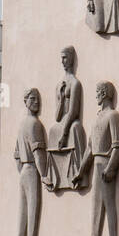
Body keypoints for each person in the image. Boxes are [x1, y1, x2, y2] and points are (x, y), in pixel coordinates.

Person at [80, 81, 119, 236]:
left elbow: (118, 146)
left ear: (105, 93)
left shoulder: (113, 116)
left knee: (109, 203)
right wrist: (81, 171)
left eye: (98, 91)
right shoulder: (97, 118)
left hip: (106, 163)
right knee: (95, 204)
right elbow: (90, 147)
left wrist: (111, 168)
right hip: (97, 164)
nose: (96, 95)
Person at [13, 88, 47, 236]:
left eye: (38, 99)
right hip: (32, 169)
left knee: (23, 208)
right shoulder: (34, 124)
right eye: (32, 99)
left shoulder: (22, 125)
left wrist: (22, 170)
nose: (36, 102)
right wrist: (44, 174)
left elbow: (16, 155)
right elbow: (37, 152)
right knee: (32, 206)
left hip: (24, 171)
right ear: (25, 101)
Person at [46, 46, 85, 189]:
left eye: (65, 57)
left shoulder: (75, 84)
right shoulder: (59, 85)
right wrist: (62, 99)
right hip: (61, 122)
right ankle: (54, 177)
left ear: (71, 59)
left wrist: (64, 133)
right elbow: (57, 117)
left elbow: (73, 111)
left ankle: (76, 174)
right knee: (52, 130)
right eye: (61, 58)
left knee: (75, 128)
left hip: (71, 123)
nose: (62, 61)